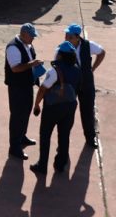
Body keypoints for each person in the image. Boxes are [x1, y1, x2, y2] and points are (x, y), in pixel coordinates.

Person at [30, 43, 81, 175]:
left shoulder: (54, 71)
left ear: (60, 56)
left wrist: (36, 104)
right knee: (64, 135)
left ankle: (42, 165)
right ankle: (60, 164)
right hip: (70, 106)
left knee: (45, 135)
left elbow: (43, 89)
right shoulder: (77, 69)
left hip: (52, 108)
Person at [64, 24, 106, 148]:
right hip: (71, 83)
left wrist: (93, 68)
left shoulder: (88, 45)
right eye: (66, 35)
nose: (67, 39)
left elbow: (102, 52)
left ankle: (90, 138)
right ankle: (64, 140)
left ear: (78, 37)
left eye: (70, 37)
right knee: (67, 112)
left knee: (87, 111)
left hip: (86, 83)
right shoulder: (63, 48)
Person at [4, 23, 42, 160]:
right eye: (31, 36)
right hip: (17, 87)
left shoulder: (28, 44)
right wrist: (32, 64)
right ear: (24, 34)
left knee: (26, 112)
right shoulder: (13, 47)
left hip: (27, 85)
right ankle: (14, 147)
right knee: (17, 116)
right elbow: (15, 68)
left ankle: (22, 136)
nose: (33, 38)